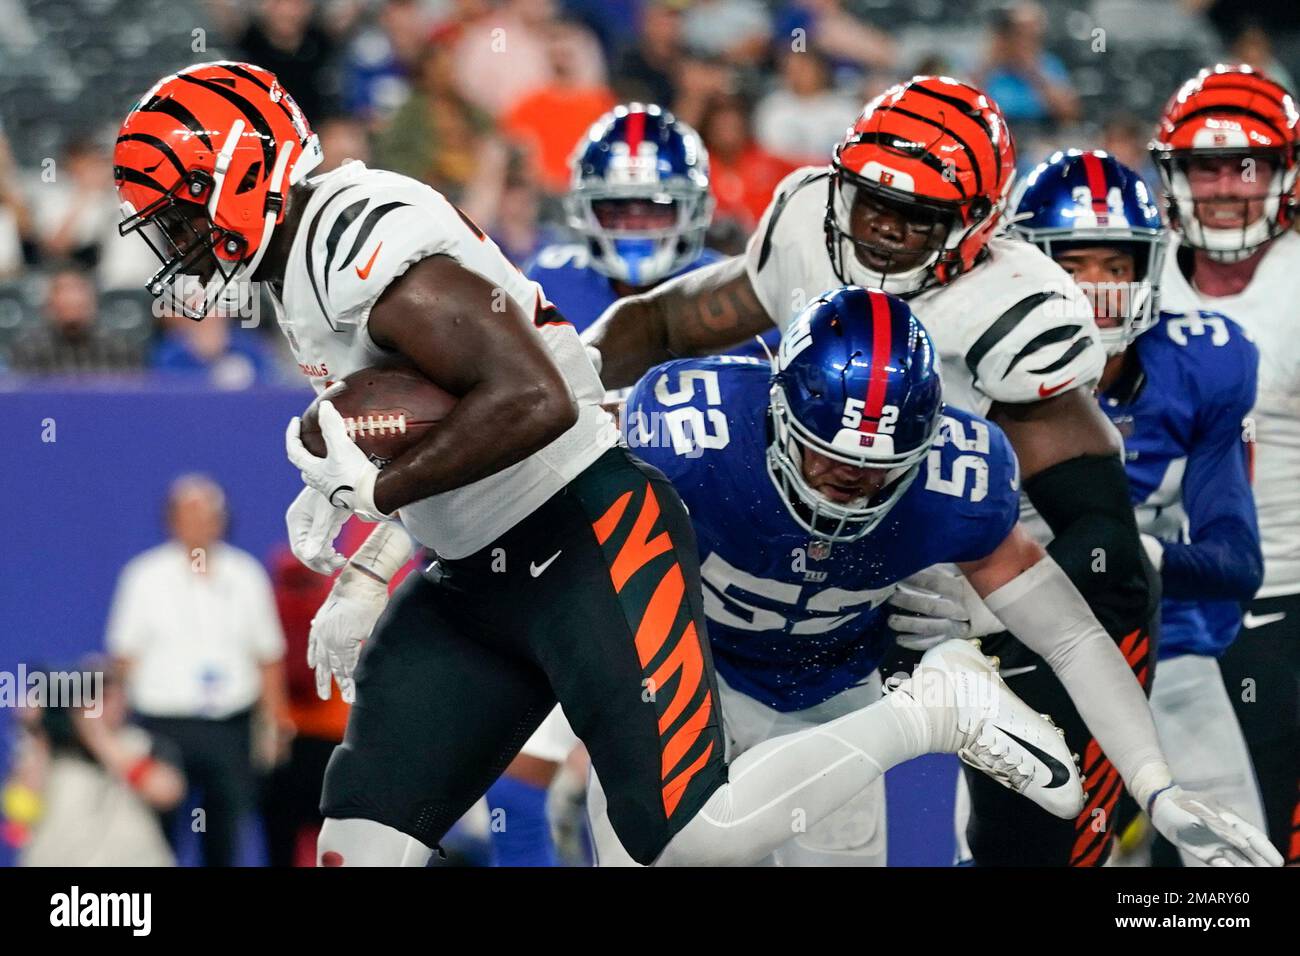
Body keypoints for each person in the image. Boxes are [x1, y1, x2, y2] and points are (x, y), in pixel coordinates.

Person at [114, 61, 1090, 868]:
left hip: (590, 535)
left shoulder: (349, 234)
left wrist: (373, 485)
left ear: (237, 177)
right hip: (476, 568)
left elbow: (530, 398)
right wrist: (372, 555)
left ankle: (932, 711)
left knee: (689, 841)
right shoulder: (302, 261)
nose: (170, 241)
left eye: (174, 212)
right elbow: (444, 413)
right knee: (360, 840)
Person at [584, 75, 1162, 866]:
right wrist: (557, 375)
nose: (884, 230)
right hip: (762, 575)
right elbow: (662, 320)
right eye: (871, 202)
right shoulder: (803, 225)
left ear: (975, 224)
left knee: (1010, 845)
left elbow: (1111, 554)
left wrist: (976, 610)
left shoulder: (1014, 312)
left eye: (918, 216)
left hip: (933, 605)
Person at [589, 286, 1278, 868]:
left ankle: (937, 706)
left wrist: (1154, 784)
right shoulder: (688, 438)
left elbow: (1071, 636)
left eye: (877, 470)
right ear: (777, 413)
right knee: (668, 846)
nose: (846, 488)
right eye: (825, 456)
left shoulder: (957, 477)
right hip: (685, 671)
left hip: (832, 698)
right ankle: (937, 710)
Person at [1011, 148, 1271, 865]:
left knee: (1232, 874)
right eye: (1074, 264)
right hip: (1022, 658)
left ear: (1147, 270)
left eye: (1115, 266)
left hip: (1169, 647)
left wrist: (1131, 559)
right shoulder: (970, 374)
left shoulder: (1204, 363)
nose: (1096, 289)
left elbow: (1235, 563)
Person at [1150, 63, 1300, 864]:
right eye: (1204, 166)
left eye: (1249, 165)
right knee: (1189, 849)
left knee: (1266, 834)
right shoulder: (1129, 275)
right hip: (1157, 602)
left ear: (1285, 174)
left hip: (1280, 604)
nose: (1226, 187)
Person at [105, 474, 290, 866]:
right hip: (163, 727)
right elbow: (123, 658)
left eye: (207, 514)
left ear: (222, 520)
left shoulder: (246, 575)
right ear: (170, 520)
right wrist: (116, 730)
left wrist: (274, 725)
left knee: (225, 836)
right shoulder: (144, 577)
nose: (198, 523)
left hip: (229, 728)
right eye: (188, 514)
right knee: (155, 838)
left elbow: (268, 656)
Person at [5, 659, 185, 867]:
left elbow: (166, 793)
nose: (96, 704)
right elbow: (18, 822)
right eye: (91, 696)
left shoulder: (143, 743)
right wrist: (37, 732)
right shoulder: (41, 751)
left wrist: (98, 738)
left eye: (105, 695)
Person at [7, 263, 142, 375]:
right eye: (63, 290)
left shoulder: (119, 348)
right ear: (49, 303)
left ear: (93, 301)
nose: (72, 299)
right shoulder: (28, 350)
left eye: (78, 290)